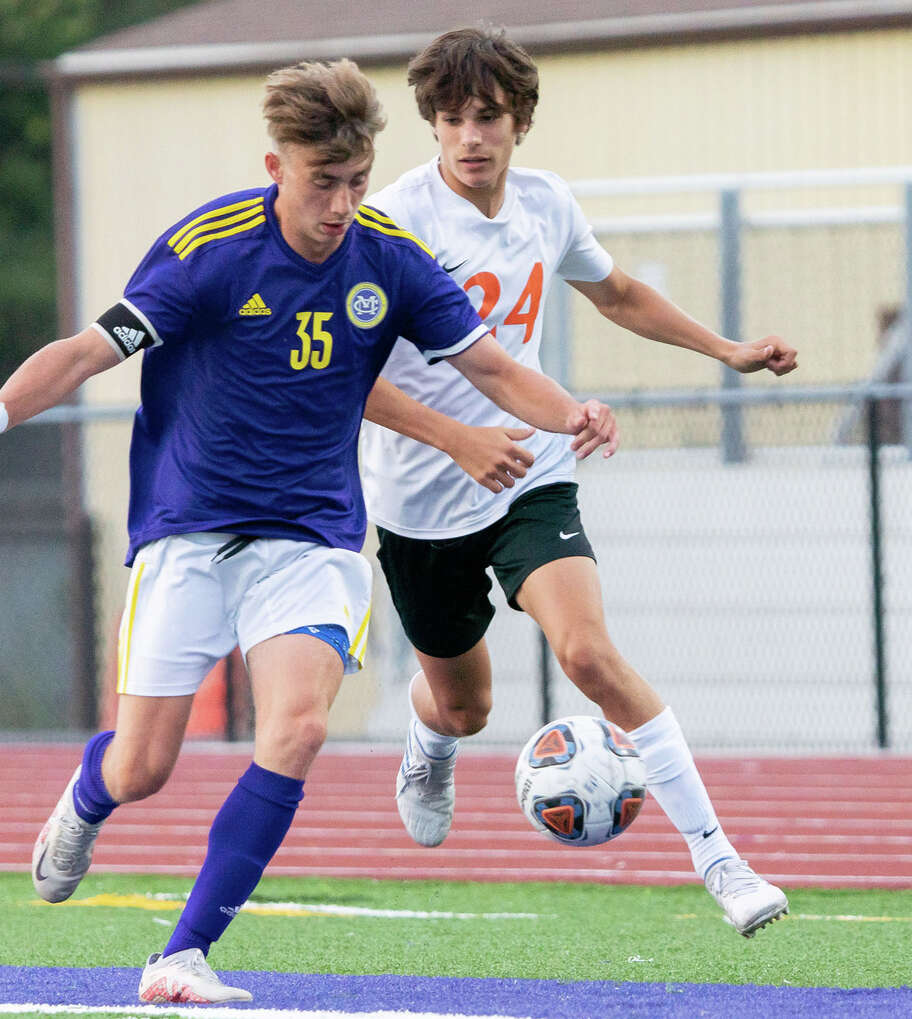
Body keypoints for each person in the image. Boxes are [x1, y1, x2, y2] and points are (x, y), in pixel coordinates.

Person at [0, 58, 618, 1004]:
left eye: (357, 183)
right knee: (143, 766)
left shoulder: (388, 256)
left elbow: (495, 369)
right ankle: (88, 797)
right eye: (322, 182)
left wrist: (570, 411)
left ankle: (182, 954)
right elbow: (88, 351)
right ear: (276, 166)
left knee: (295, 727)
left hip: (313, 535)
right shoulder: (208, 250)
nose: (341, 205)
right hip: (191, 527)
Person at [359, 27, 798, 938]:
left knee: (589, 656)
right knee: (463, 704)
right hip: (419, 499)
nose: (470, 136)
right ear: (431, 126)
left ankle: (721, 859)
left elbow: (619, 292)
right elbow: (347, 375)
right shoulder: (391, 222)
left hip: (531, 476)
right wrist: (454, 437)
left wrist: (728, 349)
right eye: (451, 119)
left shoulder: (548, 205)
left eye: (488, 116)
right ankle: (429, 744)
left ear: (520, 121)